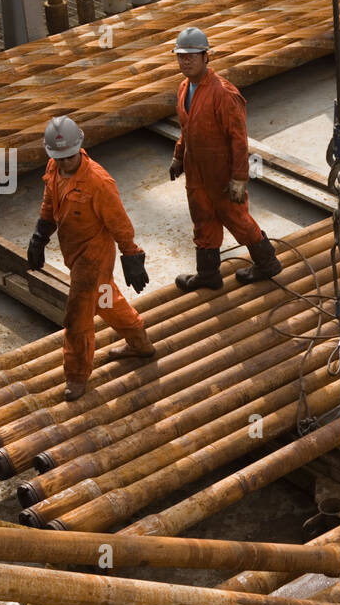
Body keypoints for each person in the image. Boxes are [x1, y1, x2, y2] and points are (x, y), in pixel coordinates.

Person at [28, 116, 154, 401]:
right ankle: (139, 342)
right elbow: (50, 202)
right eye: (58, 158)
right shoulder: (54, 167)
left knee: (77, 318)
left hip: (94, 256)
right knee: (105, 298)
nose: (64, 163)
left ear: (80, 148)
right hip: (74, 252)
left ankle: (76, 375)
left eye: (69, 157)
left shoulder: (98, 181)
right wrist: (39, 237)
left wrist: (131, 255)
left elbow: (119, 221)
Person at [167, 26, 283, 291]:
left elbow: (239, 140)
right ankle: (208, 274)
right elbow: (188, 129)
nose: (186, 61)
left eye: (192, 56)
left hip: (221, 174)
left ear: (206, 57)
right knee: (203, 221)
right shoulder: (184, 88)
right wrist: (178, 156)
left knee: (237, 220)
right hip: (197, 173)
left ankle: (267, 263)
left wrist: (239, 178)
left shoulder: (223, 93)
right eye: (181, 56)